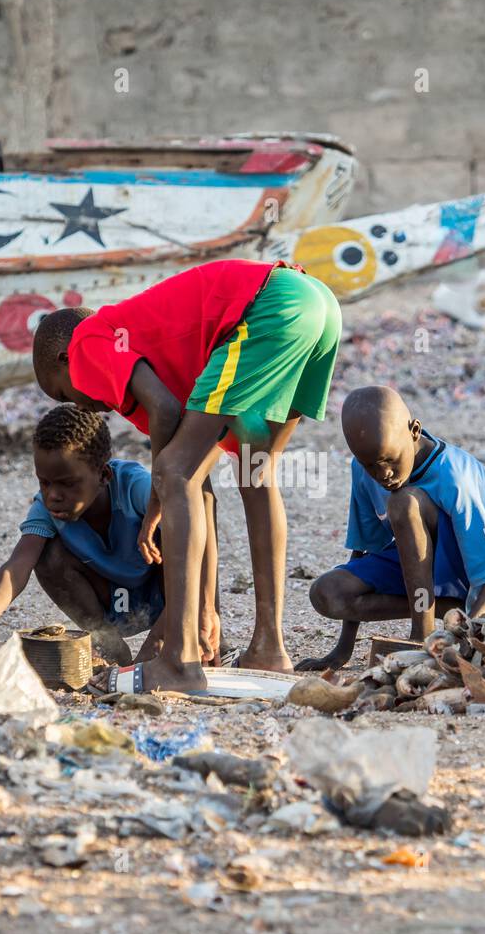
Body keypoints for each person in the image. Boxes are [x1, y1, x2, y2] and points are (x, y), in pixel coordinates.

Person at [32, 259, 341, 693]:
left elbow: (168, 431)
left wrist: (159, 493)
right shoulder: (171, 366)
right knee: (255, 474)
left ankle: (178, 660)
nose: (81, 407)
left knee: (174, 472)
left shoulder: (89, 339)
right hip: (318, 304)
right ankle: (269, 648)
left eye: (65, 392)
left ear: (65, 358)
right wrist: (204, 607)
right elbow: (201, 492)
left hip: (269, 304)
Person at [297, 385, 485, 670]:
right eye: (371, 466)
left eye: (390, 461)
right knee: (328, 593)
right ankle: (441, 610)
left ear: (414, 430)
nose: (384, 475)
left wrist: (469, 634)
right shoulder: (363, 471)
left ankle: (422, 635)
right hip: (423, 565)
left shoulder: (452, 475)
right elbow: (363, 552)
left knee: (404, 502)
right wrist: (341, 651)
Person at [0, 405, 176, 665]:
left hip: (167, 597)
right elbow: (18, 564)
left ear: (104, 475)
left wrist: (159, 641)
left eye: (67, 484)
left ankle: (176, 633)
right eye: (45, 482)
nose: (53, 495)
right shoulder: (47, 508)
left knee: (172, 538)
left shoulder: (136, 486)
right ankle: (107, 643)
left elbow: (191, 550)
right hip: (111, 603)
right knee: (47, 555)